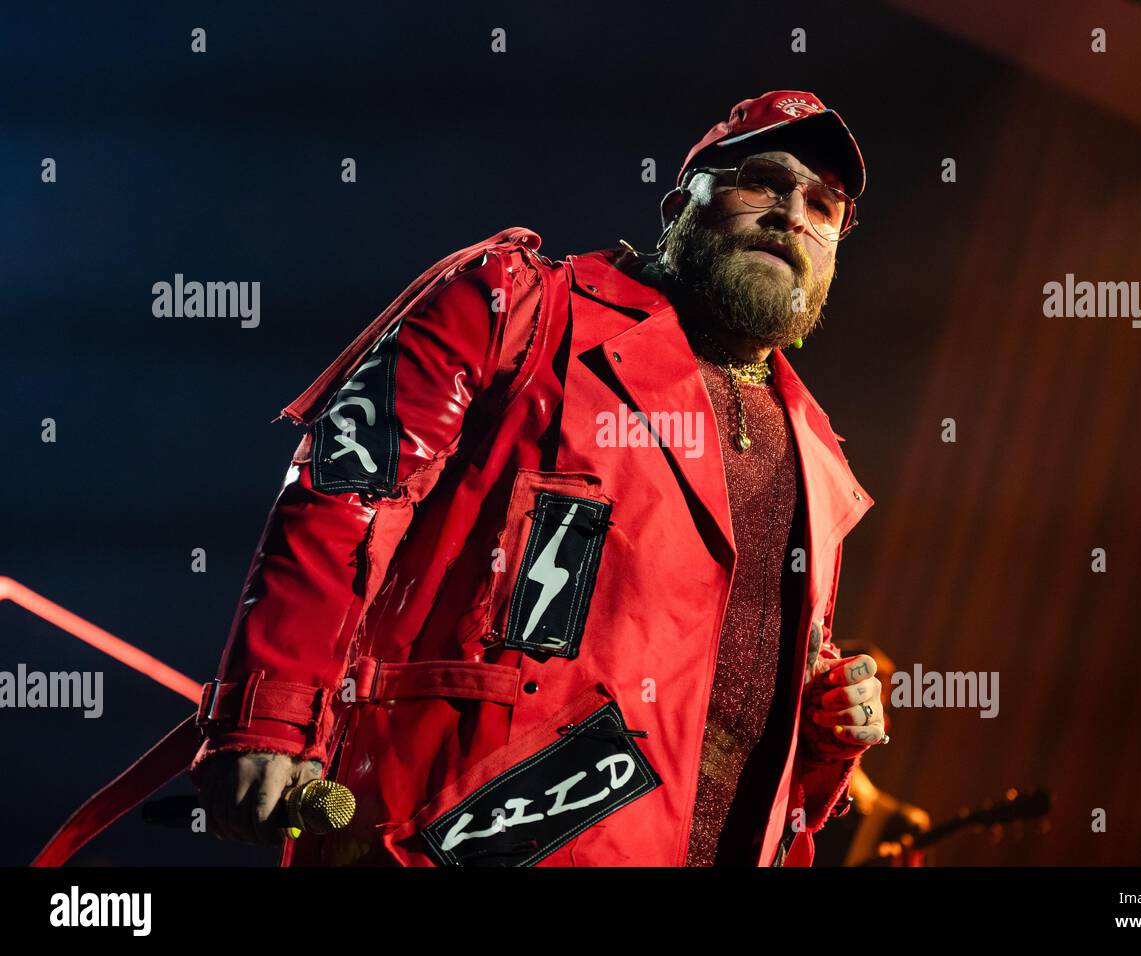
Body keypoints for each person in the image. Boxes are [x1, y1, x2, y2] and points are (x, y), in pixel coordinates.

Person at [39, 89, 885, 868]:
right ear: (679, 206)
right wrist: (269, 716)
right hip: (460, 842)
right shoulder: (521, 307)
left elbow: (737, 705)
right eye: (763, 182)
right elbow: (345, 495)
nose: (791, 216)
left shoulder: (819, 456)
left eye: (824, 208)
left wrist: (822, 743)